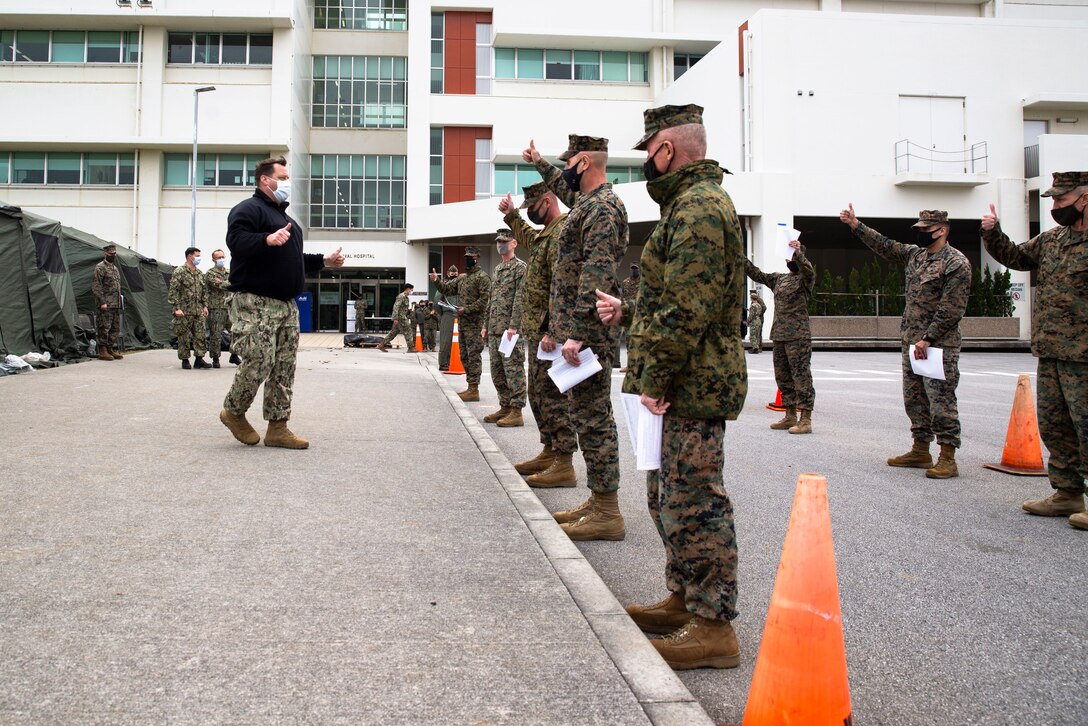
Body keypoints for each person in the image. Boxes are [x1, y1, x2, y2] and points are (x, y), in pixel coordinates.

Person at [596, 103, 746, 669]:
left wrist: (655, 377)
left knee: (696, 500)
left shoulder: (701, 207)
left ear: (667, 149)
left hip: (691, 383)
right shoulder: (688, 205)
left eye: (649, 150)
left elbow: (689, 307)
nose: (647, 163)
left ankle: (713, 628)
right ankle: (686, 599)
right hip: (681, 379)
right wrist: (630, 312)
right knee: (670, 499)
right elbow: (674, 299)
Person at [527, 133, 629, 541]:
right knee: (586, 418)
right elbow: (558, 184)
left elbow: (597, 273)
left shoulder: (602, 207)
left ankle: (607, 510)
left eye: (567, 163)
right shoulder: (586, 204)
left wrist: (578, 334)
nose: (563, 170)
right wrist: (538, 163)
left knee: (594, 418)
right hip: (579, 331)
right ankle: (598, 500)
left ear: (583, 161)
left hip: (588, 335)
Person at [980, 171, 1088, 528]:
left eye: (1061, 200)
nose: (1055, 206)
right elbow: (1015, 257)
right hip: (1053, 351)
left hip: (1085, 356)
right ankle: (1067, 493)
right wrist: (992, 232)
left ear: (1084, 199)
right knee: (1056, 426)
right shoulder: (1053, 240)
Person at [219, 155, 345, 449]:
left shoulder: (288, 222)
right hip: (254, 301)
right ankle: (234, 411)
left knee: (284, 366)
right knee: (259, 359)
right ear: (266, 179)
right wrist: (265, 240)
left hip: (286, 306)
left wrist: (324, 261)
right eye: (283, 177)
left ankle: (278, 427)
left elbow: (294, 260)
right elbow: (236, 242)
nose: (287, 183)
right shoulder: (247, 210)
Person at [840, 205, 971, 479]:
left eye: (926, 230)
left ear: (942, 230)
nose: (921, 234)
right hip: (912, 343)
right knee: (914, 398)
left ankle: (947, 456)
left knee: (941, 400)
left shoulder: (955, 263)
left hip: (937, 346)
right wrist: (855, 225)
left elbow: (952, 308)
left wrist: (929, 338)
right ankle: (920, 449)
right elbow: (885, 246)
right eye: (919, 230)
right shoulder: (916, 256)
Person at [501, 182, 578, 487]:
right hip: (540, 332)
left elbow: (564, 287)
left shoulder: (561, 233)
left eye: (532, 206)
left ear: (547, 201)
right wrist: (511, 217)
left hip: (552, 335)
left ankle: (564, 463)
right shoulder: (548, 233)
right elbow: (530, 237)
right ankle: (550, 450)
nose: (529, 212)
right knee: (539, 395)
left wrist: (555, 331)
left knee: (554, 397)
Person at [744, 240, 816, 434]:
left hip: (798, 336)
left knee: (801, 376)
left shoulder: (804, 279)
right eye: (789, 255)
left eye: (792, 256)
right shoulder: (779, 279)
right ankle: (790, 414)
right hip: (780, 335)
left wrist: (799, 253)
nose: (789, 259)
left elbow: (808, 270)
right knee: (782, 376)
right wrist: (739, 255)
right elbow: (757, 274)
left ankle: (806, 419)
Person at [430, 247, 490, 401]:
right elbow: (448, 289)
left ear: (477, 258)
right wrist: (437, 281)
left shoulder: (482, 278)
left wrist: (467, 309)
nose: (467, 260)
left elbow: (485, 301)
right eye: (466, 257)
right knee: (464, 355)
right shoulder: (462, 278)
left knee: (473, 356)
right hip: (463, 323)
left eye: (470, 257)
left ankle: (474, 389)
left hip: (474, 324)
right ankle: (470, 387)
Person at [482, 229, 528, 427]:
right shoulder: (499, 269)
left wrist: (514, 326)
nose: (500, 244)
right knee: (497, 371)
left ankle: (517, 411)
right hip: (494, 329)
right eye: (498, 241)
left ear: (514, 244)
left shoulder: (520, 268)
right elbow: (492, 299)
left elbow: (520, 298)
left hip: (509, 330)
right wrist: (485, 325)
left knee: (513, 369)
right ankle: (505, 406)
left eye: (504, 241)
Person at [168, 247, 210, 370]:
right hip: (184, 311)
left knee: (200, 335)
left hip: (198, 310)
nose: (199, 258)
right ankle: (185, 360)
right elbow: (173, 291)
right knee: (183, 336)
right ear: (189, 256)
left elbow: (203, 292)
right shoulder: (180, 271)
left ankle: (199, 359)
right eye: (197, 256)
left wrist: (205, 306)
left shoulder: (199, 273)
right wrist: (176, 308)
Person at [205, 248, 240, 368]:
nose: (221, 259)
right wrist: (228, 284)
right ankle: (215, 358)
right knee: (216, 334)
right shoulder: (210, 273)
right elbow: (220, 285)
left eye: (222, 257)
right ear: (213, 260)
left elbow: (235, 284)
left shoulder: (230, 272)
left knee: (235, 332)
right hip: (216, 308)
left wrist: (226, 283)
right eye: (218, 257)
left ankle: (234, 355)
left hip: (230, 307)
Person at [91, 243, 123, 361]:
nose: (113, 255)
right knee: (104, 327)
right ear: (105, 254)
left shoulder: (115, 269)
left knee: (115, 328)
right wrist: (102, 301)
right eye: (111, 254)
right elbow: (96, 286)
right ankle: (102, 350)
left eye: (114, 254)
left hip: (115, 303)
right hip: (106, 304)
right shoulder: (100, 267)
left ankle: (109, 348)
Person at [377, 283, 415, 353]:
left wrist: (409, 311)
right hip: (401, 318)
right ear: (407, 289)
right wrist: (395, 318)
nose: (411, 291)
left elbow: (403, 308)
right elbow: (396, 307)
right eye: (411, 290)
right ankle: (411, 348)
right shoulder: (401, 296)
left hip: (402, 317)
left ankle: (381, 345)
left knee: (393, 333)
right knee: (409, 331)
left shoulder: (406, 298)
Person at [435, 265, 459, 370]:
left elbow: (436, 302)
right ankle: (444, 362)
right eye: (452, 272)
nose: (453, 274)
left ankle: (449, 362)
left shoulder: (446, 285)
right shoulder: (445, 285)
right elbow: (436, 303)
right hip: (450, 314)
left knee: (449, 340)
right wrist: (443, 313)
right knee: (446, 340)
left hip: (452, 314)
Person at [618, 264, 641, 369]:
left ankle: (637, 364)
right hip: (628, 313)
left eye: (636, 269)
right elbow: (622, 296)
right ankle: (629, 365)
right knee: (628, 338)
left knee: (638, 338)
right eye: (632, 269)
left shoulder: (642, 282)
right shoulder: (625, 282)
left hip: (639, 313)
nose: (634, 271)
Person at [747, 289, 766, 354]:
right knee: (757, 334)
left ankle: (756, 348)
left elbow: (752, 315)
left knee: (753, 334)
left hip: (755, 320)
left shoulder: (754, 304)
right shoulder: (758, 304)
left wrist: (748, 321)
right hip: (758, 320)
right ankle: (757, 347)